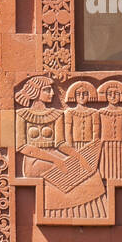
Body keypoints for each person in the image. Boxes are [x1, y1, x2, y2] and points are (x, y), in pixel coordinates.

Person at [15, 75, 107, 219]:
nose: (52, 93)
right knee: (68, 171)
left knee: (88, 171)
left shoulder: (57, 114)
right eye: (47, 90)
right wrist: (56, 161)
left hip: (55, 157)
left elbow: (60, 144)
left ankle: (91, 213)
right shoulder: (21, 114)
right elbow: (23, 147)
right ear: (35, 92)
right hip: (34, 161)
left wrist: (80, 157)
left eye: (52, 89)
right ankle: (61, 211)